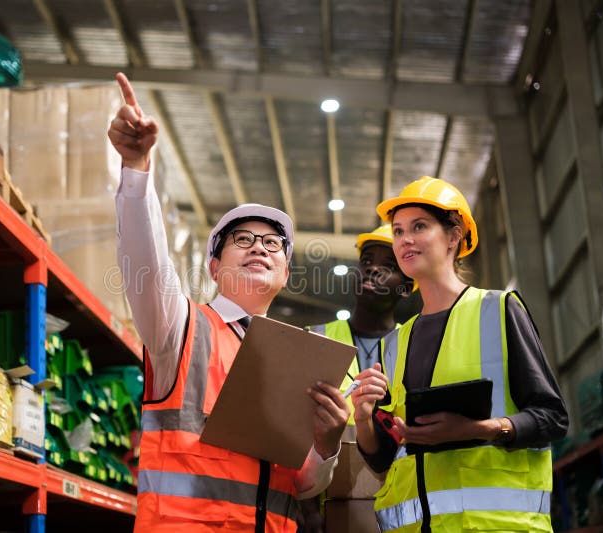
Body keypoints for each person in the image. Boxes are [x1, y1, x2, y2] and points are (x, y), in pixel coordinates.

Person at [109, 72, 351, 533]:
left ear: (285, 273)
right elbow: (146, 258)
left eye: (272, 243)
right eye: (242, 239)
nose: (260, 247)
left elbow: (300, 487)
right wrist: (138, 171)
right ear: (215, 268)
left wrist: (327, 444)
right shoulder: (181, 330)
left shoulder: (296, 359)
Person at [350, 176, 569, 533]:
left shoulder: (498, 309)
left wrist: (480, 429)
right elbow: (383, 458)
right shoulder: (395, 343)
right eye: (399, 231)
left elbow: (552, 418)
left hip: (494, 526)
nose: (405, 239)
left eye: (419, 227)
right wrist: (362, 418)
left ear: (454, 237)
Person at [298, 226, 415, 532]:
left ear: (406, 287)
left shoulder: (416, 345)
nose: (373, 268)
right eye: (366, 261)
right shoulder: (316, 339)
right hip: (326, 510)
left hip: (400, 513)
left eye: (388, 266)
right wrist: (307, 511)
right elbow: (295, 432)